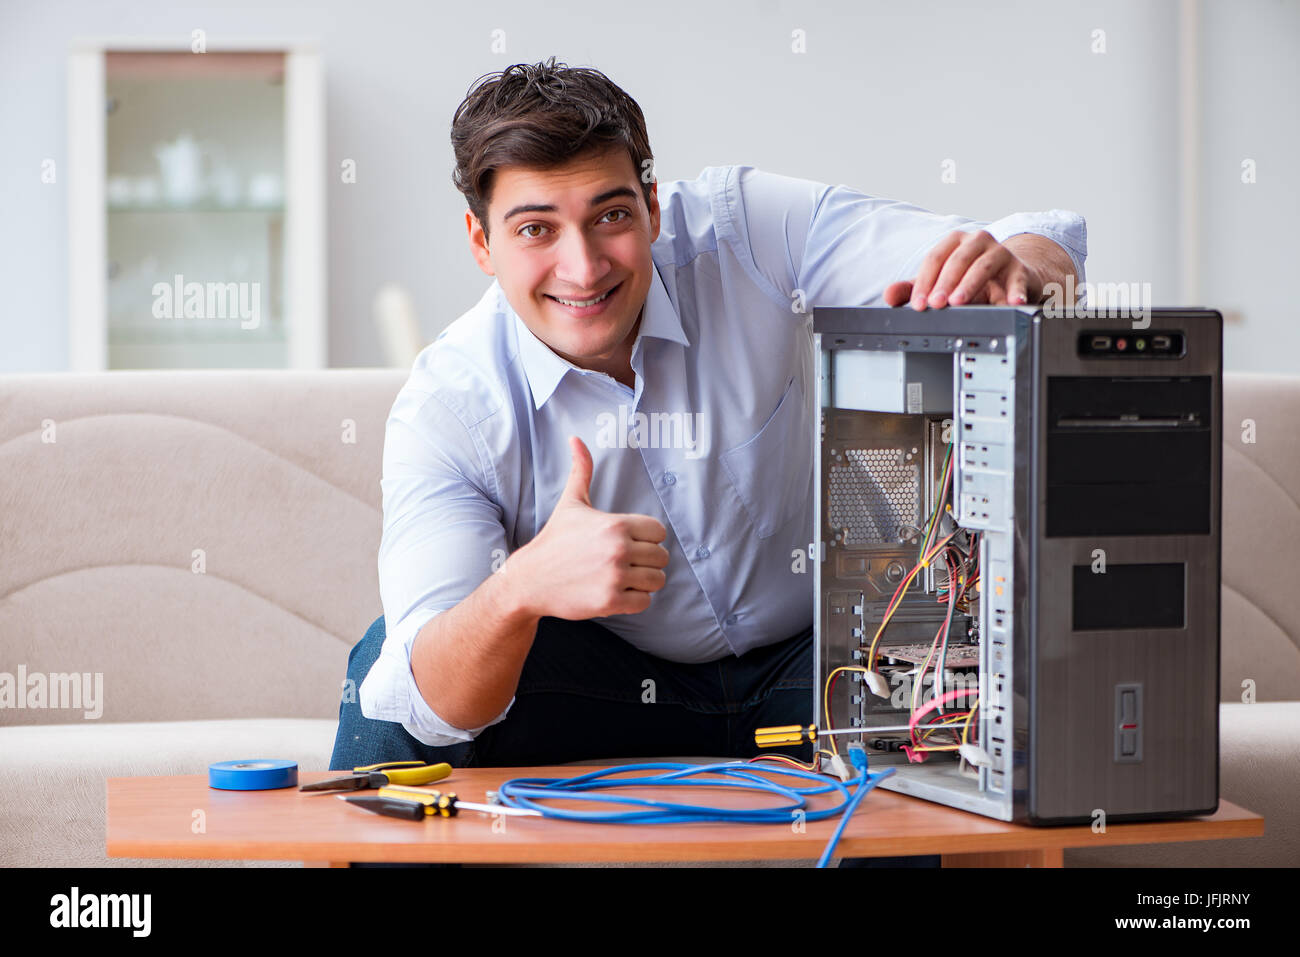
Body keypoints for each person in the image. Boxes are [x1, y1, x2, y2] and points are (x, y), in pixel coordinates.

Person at [331, 57, 1086, 867]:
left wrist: (1023, 271)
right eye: (536, 228)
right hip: (611, 692)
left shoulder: (748, 231)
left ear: (653, 207)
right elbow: (430, 701)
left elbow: (1033, 242)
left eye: (610, 215)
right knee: (386, 665)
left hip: (821, 671)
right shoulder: (453, 403)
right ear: (482, 241)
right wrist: (523, 586)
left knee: (960, 650)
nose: (584, 268)